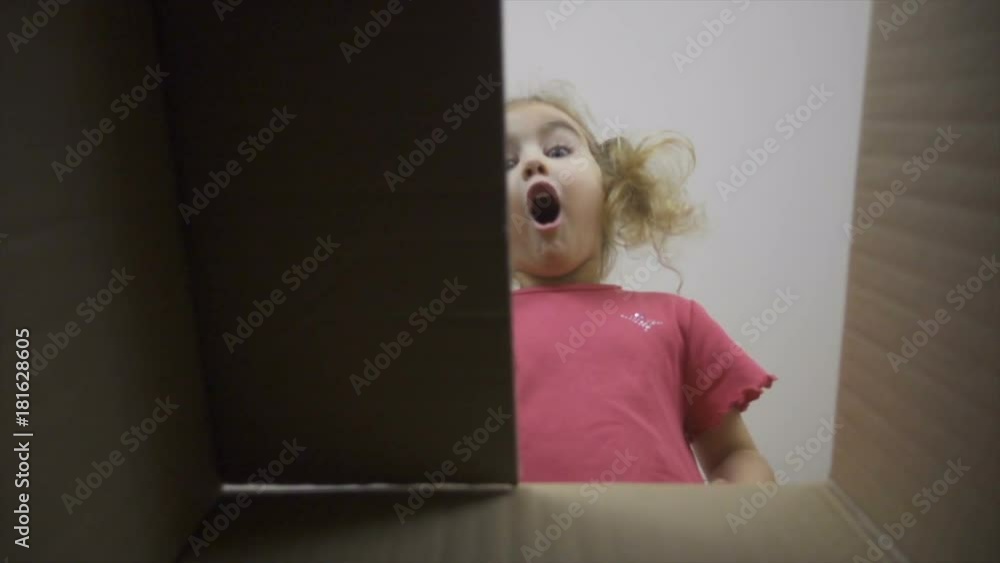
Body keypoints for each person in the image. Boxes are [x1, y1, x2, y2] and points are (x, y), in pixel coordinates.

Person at [505, 90, 776, 484]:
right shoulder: (470, 332)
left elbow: (734, 455)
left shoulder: (677, 319)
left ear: (611, 189)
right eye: (506, 162)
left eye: (559, 151)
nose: (533, 163)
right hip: (515, 543)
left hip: (666, 544)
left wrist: (737, 510)